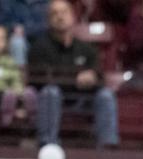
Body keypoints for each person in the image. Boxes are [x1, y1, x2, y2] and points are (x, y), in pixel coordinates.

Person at [28, 0, 119, 148]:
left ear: (73, 17)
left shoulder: (86, 48)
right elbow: (42, 79)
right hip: (53, 100)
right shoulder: (39, 48)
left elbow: (100, 76)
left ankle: (108, 144)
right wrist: (75, 79)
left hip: (82, 100)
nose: (60, 17)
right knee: (50, 92)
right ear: (48, 20)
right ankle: (48, 143)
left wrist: (93, 77)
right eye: (54, 14)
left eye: (64, 12)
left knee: (106, 95)